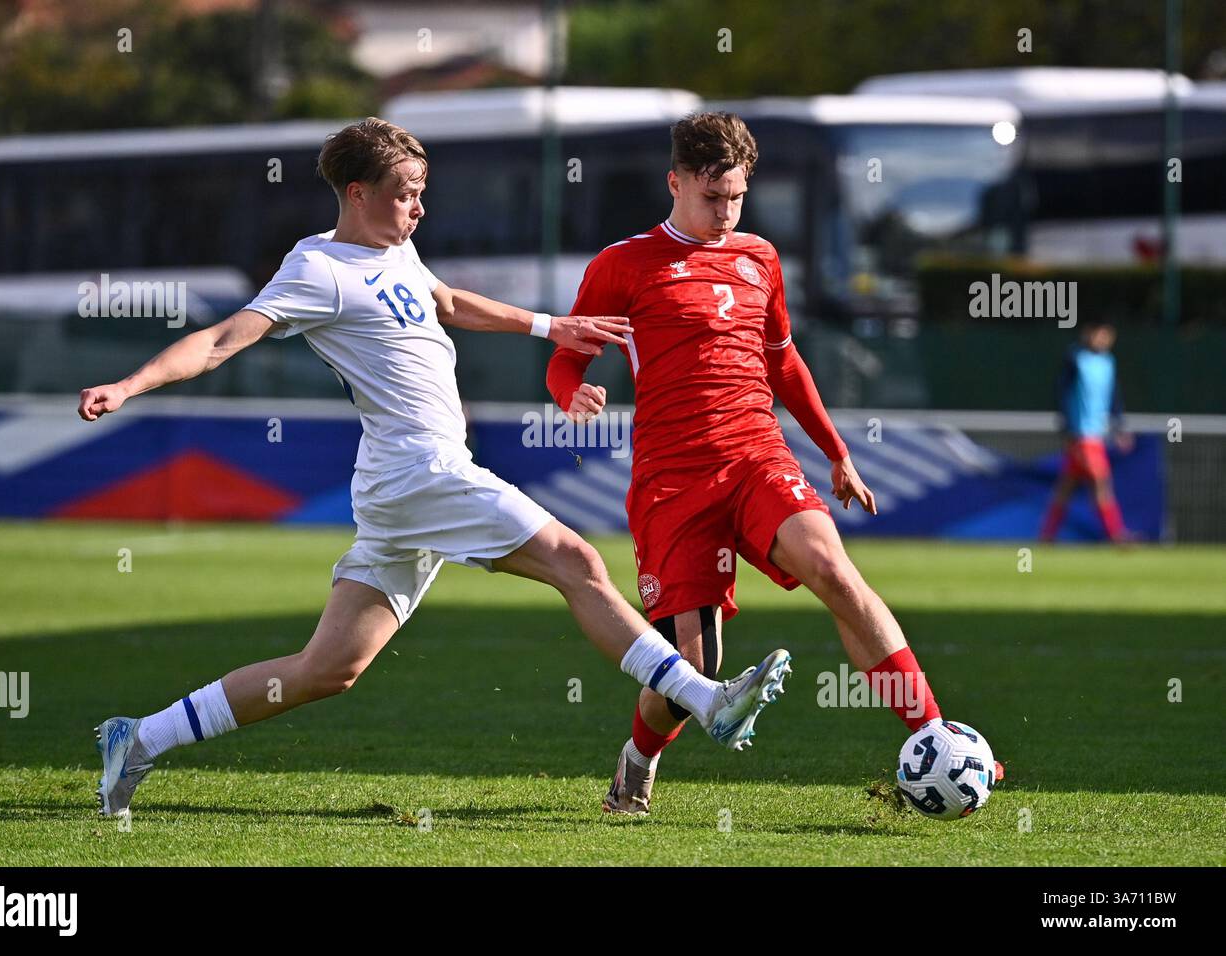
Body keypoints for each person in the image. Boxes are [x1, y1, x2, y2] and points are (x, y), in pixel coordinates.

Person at [79, 118, 791, 818]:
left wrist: (550, 326)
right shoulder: (317, 268)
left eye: (423, 192)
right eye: (406, 194)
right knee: (574, 560)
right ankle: (705, 700)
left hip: (402, 486)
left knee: (327, 670)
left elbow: (447, 302)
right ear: (356, 193)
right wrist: (128, 386)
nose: (419, 208)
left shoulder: (397, 251)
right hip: (421, 472)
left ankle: (138, 739)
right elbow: (217, 342)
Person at [546, 111, 962, 816]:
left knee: (832, 568)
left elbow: (782, 362)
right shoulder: (622, 266)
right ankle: (636, 761)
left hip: (755, 455)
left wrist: (835, 452)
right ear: (675, 183)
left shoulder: (759, 258)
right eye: (712, 198)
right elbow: (565, 357)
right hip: (672, 480)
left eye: (736, 197)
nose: (726, 211)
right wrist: (571, 391)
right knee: (698, 667)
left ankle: (933, 737)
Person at [1040, 321, 1133, 543]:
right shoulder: (1075, 359)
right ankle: (1117, 534)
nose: (1103, 339)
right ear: (1088, 334)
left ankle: (1046, 536)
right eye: (1099, 334)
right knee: (1101, 481)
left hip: (1097, 435)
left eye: (1107, 335)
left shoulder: (1108, 362)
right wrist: (1067, 429)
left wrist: (1118, 426)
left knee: (1067, 486)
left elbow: (1113, 396)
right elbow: (1061, 393)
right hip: (1081, 435)